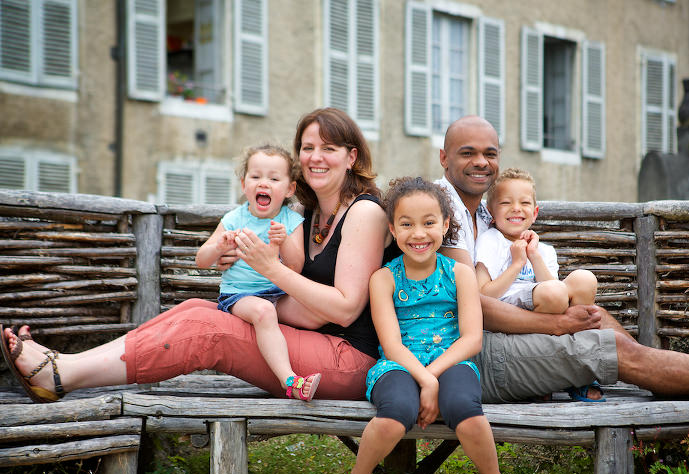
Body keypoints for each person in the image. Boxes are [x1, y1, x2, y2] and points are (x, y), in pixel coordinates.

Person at [1, 107, 395, 404]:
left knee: (210, 333)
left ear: (352, 157)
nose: (315, 157)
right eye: (307, 148)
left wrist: (270, 269)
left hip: (348, 360)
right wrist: (236, 258)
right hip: (307, 340)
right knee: (196, 309)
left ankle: (61, 375)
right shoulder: (304, 215)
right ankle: (65, 364)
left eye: (329, 148)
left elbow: (344, 309)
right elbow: (296, 286)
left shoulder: (364, 213)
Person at [436, 115, 689, 403]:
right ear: (444, 158)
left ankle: (682, 375)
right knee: (612, 347)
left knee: (595, 316)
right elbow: (475, 306)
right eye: (468, 153)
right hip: (471, 358)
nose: (481, 162)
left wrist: (565, 316)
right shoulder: (444, 208)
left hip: (496, 340)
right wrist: (557, 325)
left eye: (490, 154)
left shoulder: (482, 210)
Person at [332, 177, 543, 474]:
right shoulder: (383, 279)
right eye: (406, 224)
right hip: (398, 365)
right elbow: (391, 344)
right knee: (395, 412)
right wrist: (427, 379)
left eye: (429, 223)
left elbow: (472, 338)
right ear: (392, 228)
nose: (418, 234)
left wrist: (435, 374)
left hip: (453, 360)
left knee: (465, 407)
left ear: (445, 225)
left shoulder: (460, 274)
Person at [196, 144, 320, 401]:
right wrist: (219, 246)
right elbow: (201, 260)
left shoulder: (290, 221)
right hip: (240, 295)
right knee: (264, 312)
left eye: (274, 178)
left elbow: (296, 267)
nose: (264, 183)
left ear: (289, 189)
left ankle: (324, 364)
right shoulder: (234, 219)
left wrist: (283, 240)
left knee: (318, 308)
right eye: (256, 176)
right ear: (244, 184)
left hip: (278, 292)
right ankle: (290, 380)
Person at [475, 167, 597, 314]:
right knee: (554, 291)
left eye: (525, 203)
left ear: (534, 213)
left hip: (546, 300)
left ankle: (576, 326)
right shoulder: (491, 241)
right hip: (509, 310)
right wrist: (517, 264)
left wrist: (533, 255)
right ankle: (564, 325)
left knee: (585, 279)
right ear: (491, 213)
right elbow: (483, 294)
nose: (516, 208)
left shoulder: (544, 250)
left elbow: (557, 293)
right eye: (505, 202)